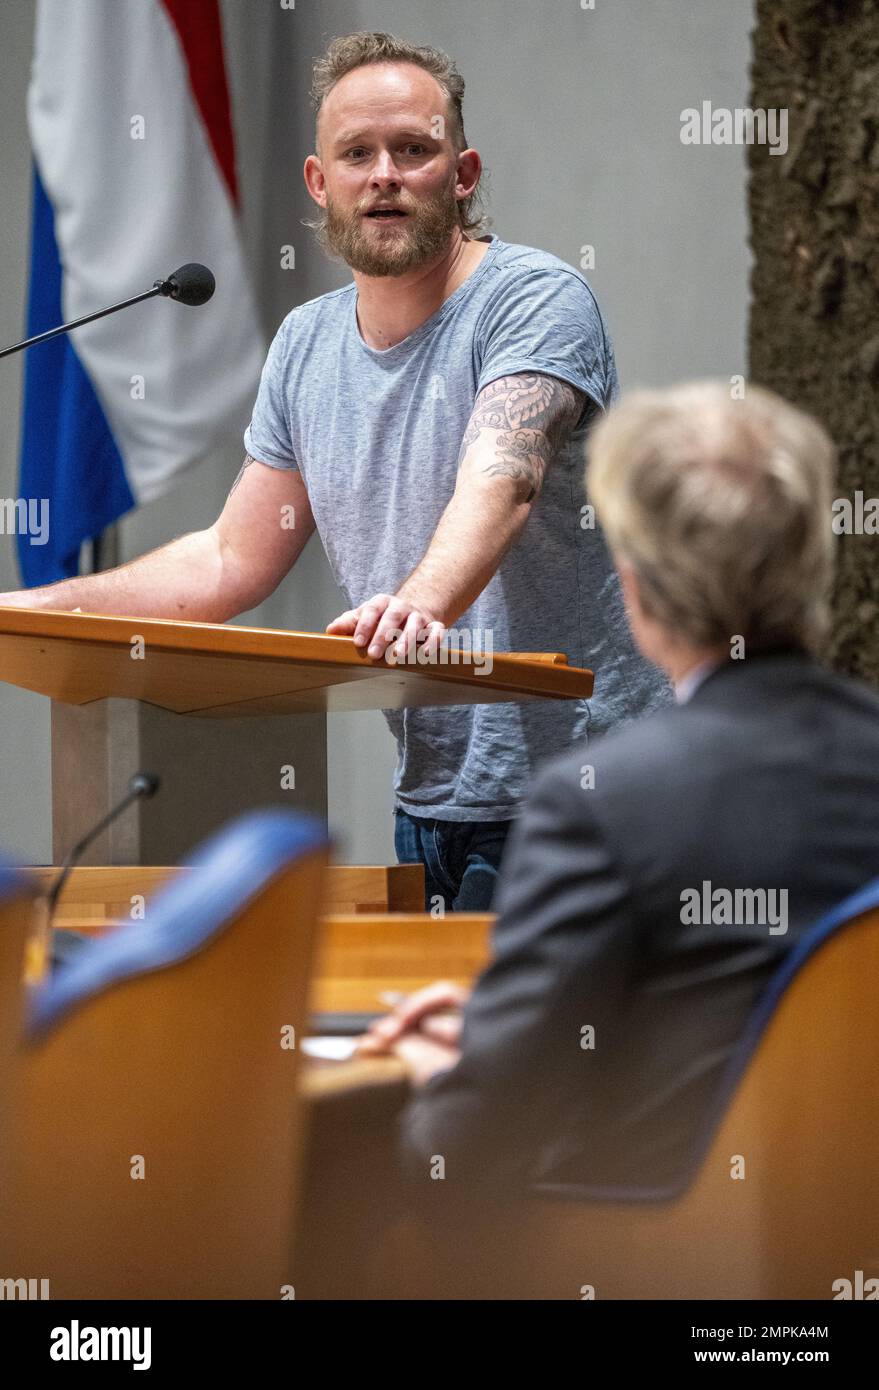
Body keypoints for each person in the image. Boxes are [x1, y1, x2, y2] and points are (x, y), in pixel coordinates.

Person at [0, 32, 669, 910]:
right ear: (321, 183)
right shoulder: (307, 343)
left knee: (559, 1051)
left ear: (462, 174)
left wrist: (419, 604)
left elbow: (502, 477)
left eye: (413, 150)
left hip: (591, 788)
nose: (383, 173)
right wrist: (27, 612)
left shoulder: (533, 299)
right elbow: (229, 560)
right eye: (356, 153)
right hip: (432, 796)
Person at [359, 380, 879, 1198]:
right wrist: (496, 1034)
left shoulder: (603, 802)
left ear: (633, 590)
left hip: (654, 1256)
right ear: (817, 559)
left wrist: (446, 1069)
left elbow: (465, 1154)